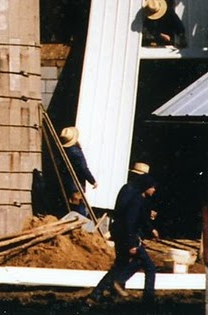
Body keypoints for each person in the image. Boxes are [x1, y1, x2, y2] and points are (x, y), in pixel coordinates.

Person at [90, 163, 158, 304]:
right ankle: (147, 299)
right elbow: (130, 218)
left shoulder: (129, 190)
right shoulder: (134, 194)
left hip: (123, 233)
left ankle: (97, 293)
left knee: (120, 264)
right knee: (148, 265)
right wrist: (133, 241)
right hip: (128, 235)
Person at [56, 126, 96, 208]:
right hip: (76, 185)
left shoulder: (63, 151)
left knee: (69, 207)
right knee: (78, 208)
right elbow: (83, 168)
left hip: (66, 183)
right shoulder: (76, 152)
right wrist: (92, 181)